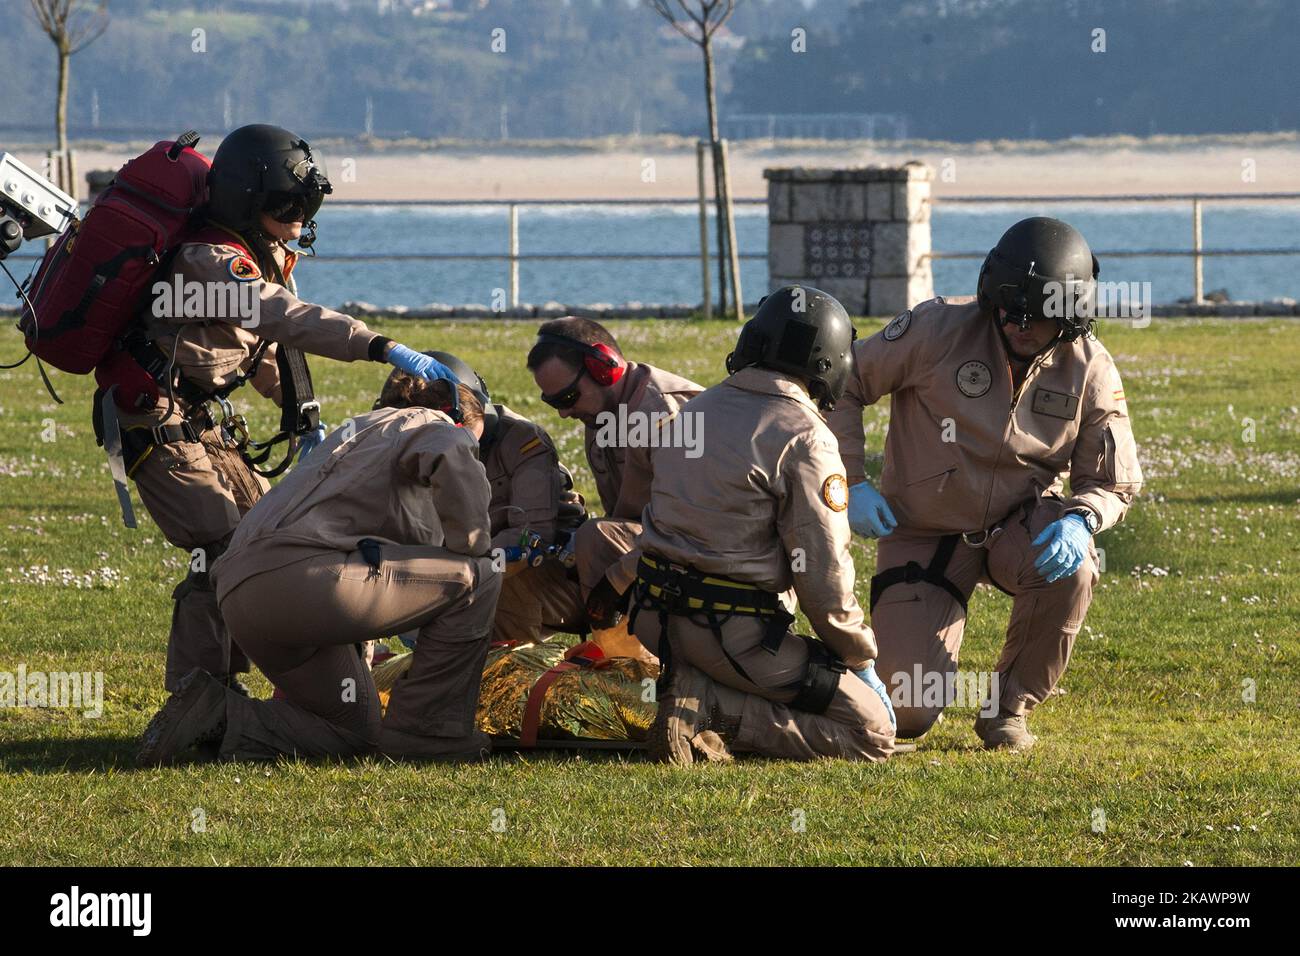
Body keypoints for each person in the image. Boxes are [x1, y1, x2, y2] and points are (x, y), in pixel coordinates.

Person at [103, 123, 459, 695]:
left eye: (307, 202)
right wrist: (378, 345)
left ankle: (308, 668)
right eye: (285, 203)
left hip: (201, 422)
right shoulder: (208, 260)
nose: (299, 216)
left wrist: (306, 421)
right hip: (155, 421)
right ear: (248, 201)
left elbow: (264, 347)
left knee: (268, 540)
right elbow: (281, 317)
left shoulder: (259, 252)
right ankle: (197, 696)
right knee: (219, 552)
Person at [829, 217, 1143, 751]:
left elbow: (1113, 482)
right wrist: (851, 482)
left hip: (1017, 527)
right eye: (1008, 310)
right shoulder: (935, 328)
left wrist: (1082, 517)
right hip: (923, 532)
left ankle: (1008, 710)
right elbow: (843, 381)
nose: (1019, 325)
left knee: (1077, 565)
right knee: (905, 710)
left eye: (1036, 317)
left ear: (1068, 319)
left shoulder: (1090, 369)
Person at [137, 366, 498, 764]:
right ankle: (427, 733)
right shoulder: (430, 423)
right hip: (303, 583)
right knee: (481, 576)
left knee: (354, 726)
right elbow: (450, 455)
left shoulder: (360, 431)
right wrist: (476, 543)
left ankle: (220, 715)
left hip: (244, 596)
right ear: (460, 417)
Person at [630, 286, 896, 764]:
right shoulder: (805, 437)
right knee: (870, 730)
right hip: (733, 634)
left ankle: (700, 685)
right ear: (830, 364)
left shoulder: (694, 409)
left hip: (655, 619)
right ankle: (709, 710)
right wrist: (860, 658)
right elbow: (825, 574)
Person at [525, 318, 702, 647]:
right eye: (554, 403)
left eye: (568, 397)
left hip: (700, 552)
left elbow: (693, 527)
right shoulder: (601, 413)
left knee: (594, 538)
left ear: (604, 367)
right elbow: (624, 517)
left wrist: (616, 578)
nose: (564, 413)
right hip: (655, 552)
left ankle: (629, 669)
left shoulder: (665, 414)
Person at [425, 351, 587, 645]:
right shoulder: (413, 444)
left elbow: (530, 536)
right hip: (463, 567)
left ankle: (512, 675)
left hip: (548, 575)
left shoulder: (523, 441)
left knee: (499, 579)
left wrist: (450, 573)